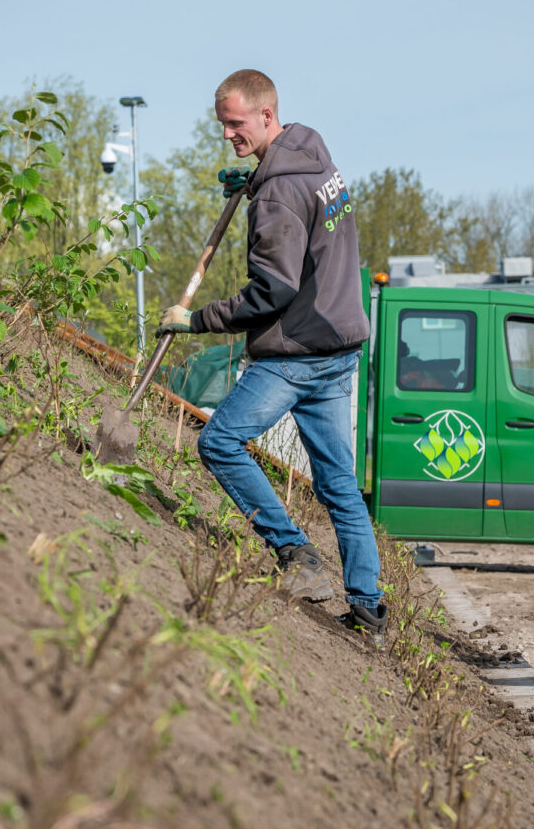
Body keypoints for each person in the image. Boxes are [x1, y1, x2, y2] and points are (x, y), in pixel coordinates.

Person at [155, 69, 386, 643]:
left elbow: (271, 293)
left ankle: (297, 556)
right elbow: (299, 216)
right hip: (339, 345)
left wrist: (196, 320)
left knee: (219, 441)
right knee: (338, 484)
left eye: (235, 124)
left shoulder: (278, 192)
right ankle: (371, 612)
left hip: (297, 352)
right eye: (222, 125)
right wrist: (254, 178)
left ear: (264, 115)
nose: (228, 135)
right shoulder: (312, 155)